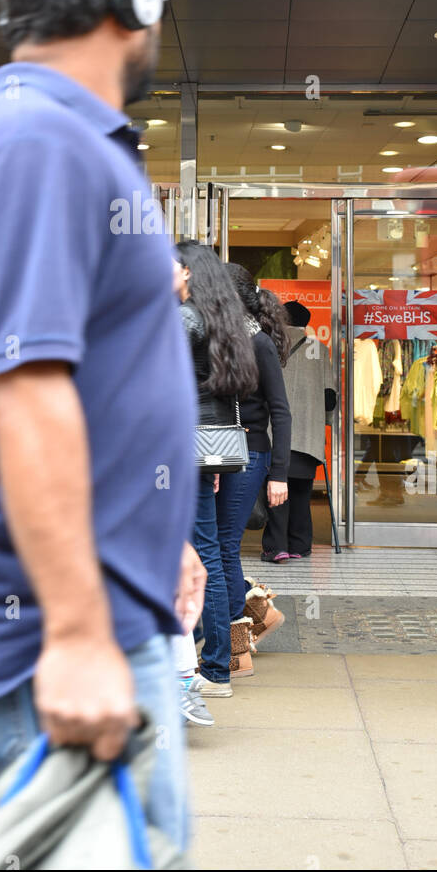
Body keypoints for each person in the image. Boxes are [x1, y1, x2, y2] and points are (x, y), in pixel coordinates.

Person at [0, 0, 202, 857]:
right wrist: (78, 634)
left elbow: (89, 385)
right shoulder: (37, 145)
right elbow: (29, 397)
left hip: (93, 616)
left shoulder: (56, 142)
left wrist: (158, 543)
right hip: (57, 640)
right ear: (134, 3)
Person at [175, 242, 259, 696]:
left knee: (192, 554)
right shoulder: (223, 320)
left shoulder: (186, 318)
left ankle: (201, 665)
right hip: (206, 447)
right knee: (206, 552)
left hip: (179, 445)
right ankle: (216, 665)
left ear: (187, 272)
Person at [216, 264, 291, 670]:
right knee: (216, 544)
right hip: (220, 452)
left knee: (224, 544)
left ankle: (236, 647)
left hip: (250, 453)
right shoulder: (219, 340)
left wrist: (278, 474)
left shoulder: (258, 342)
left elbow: (281, 411)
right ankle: (258, 610)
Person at [271, 300, 337, 561]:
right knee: (301, 494)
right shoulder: (319, 349)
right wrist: (323, 422)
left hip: (276, 435)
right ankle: (300, 545)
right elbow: (329, 397)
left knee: (276, 495)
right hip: (309, 437)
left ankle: (276, 547)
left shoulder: (272, 346)